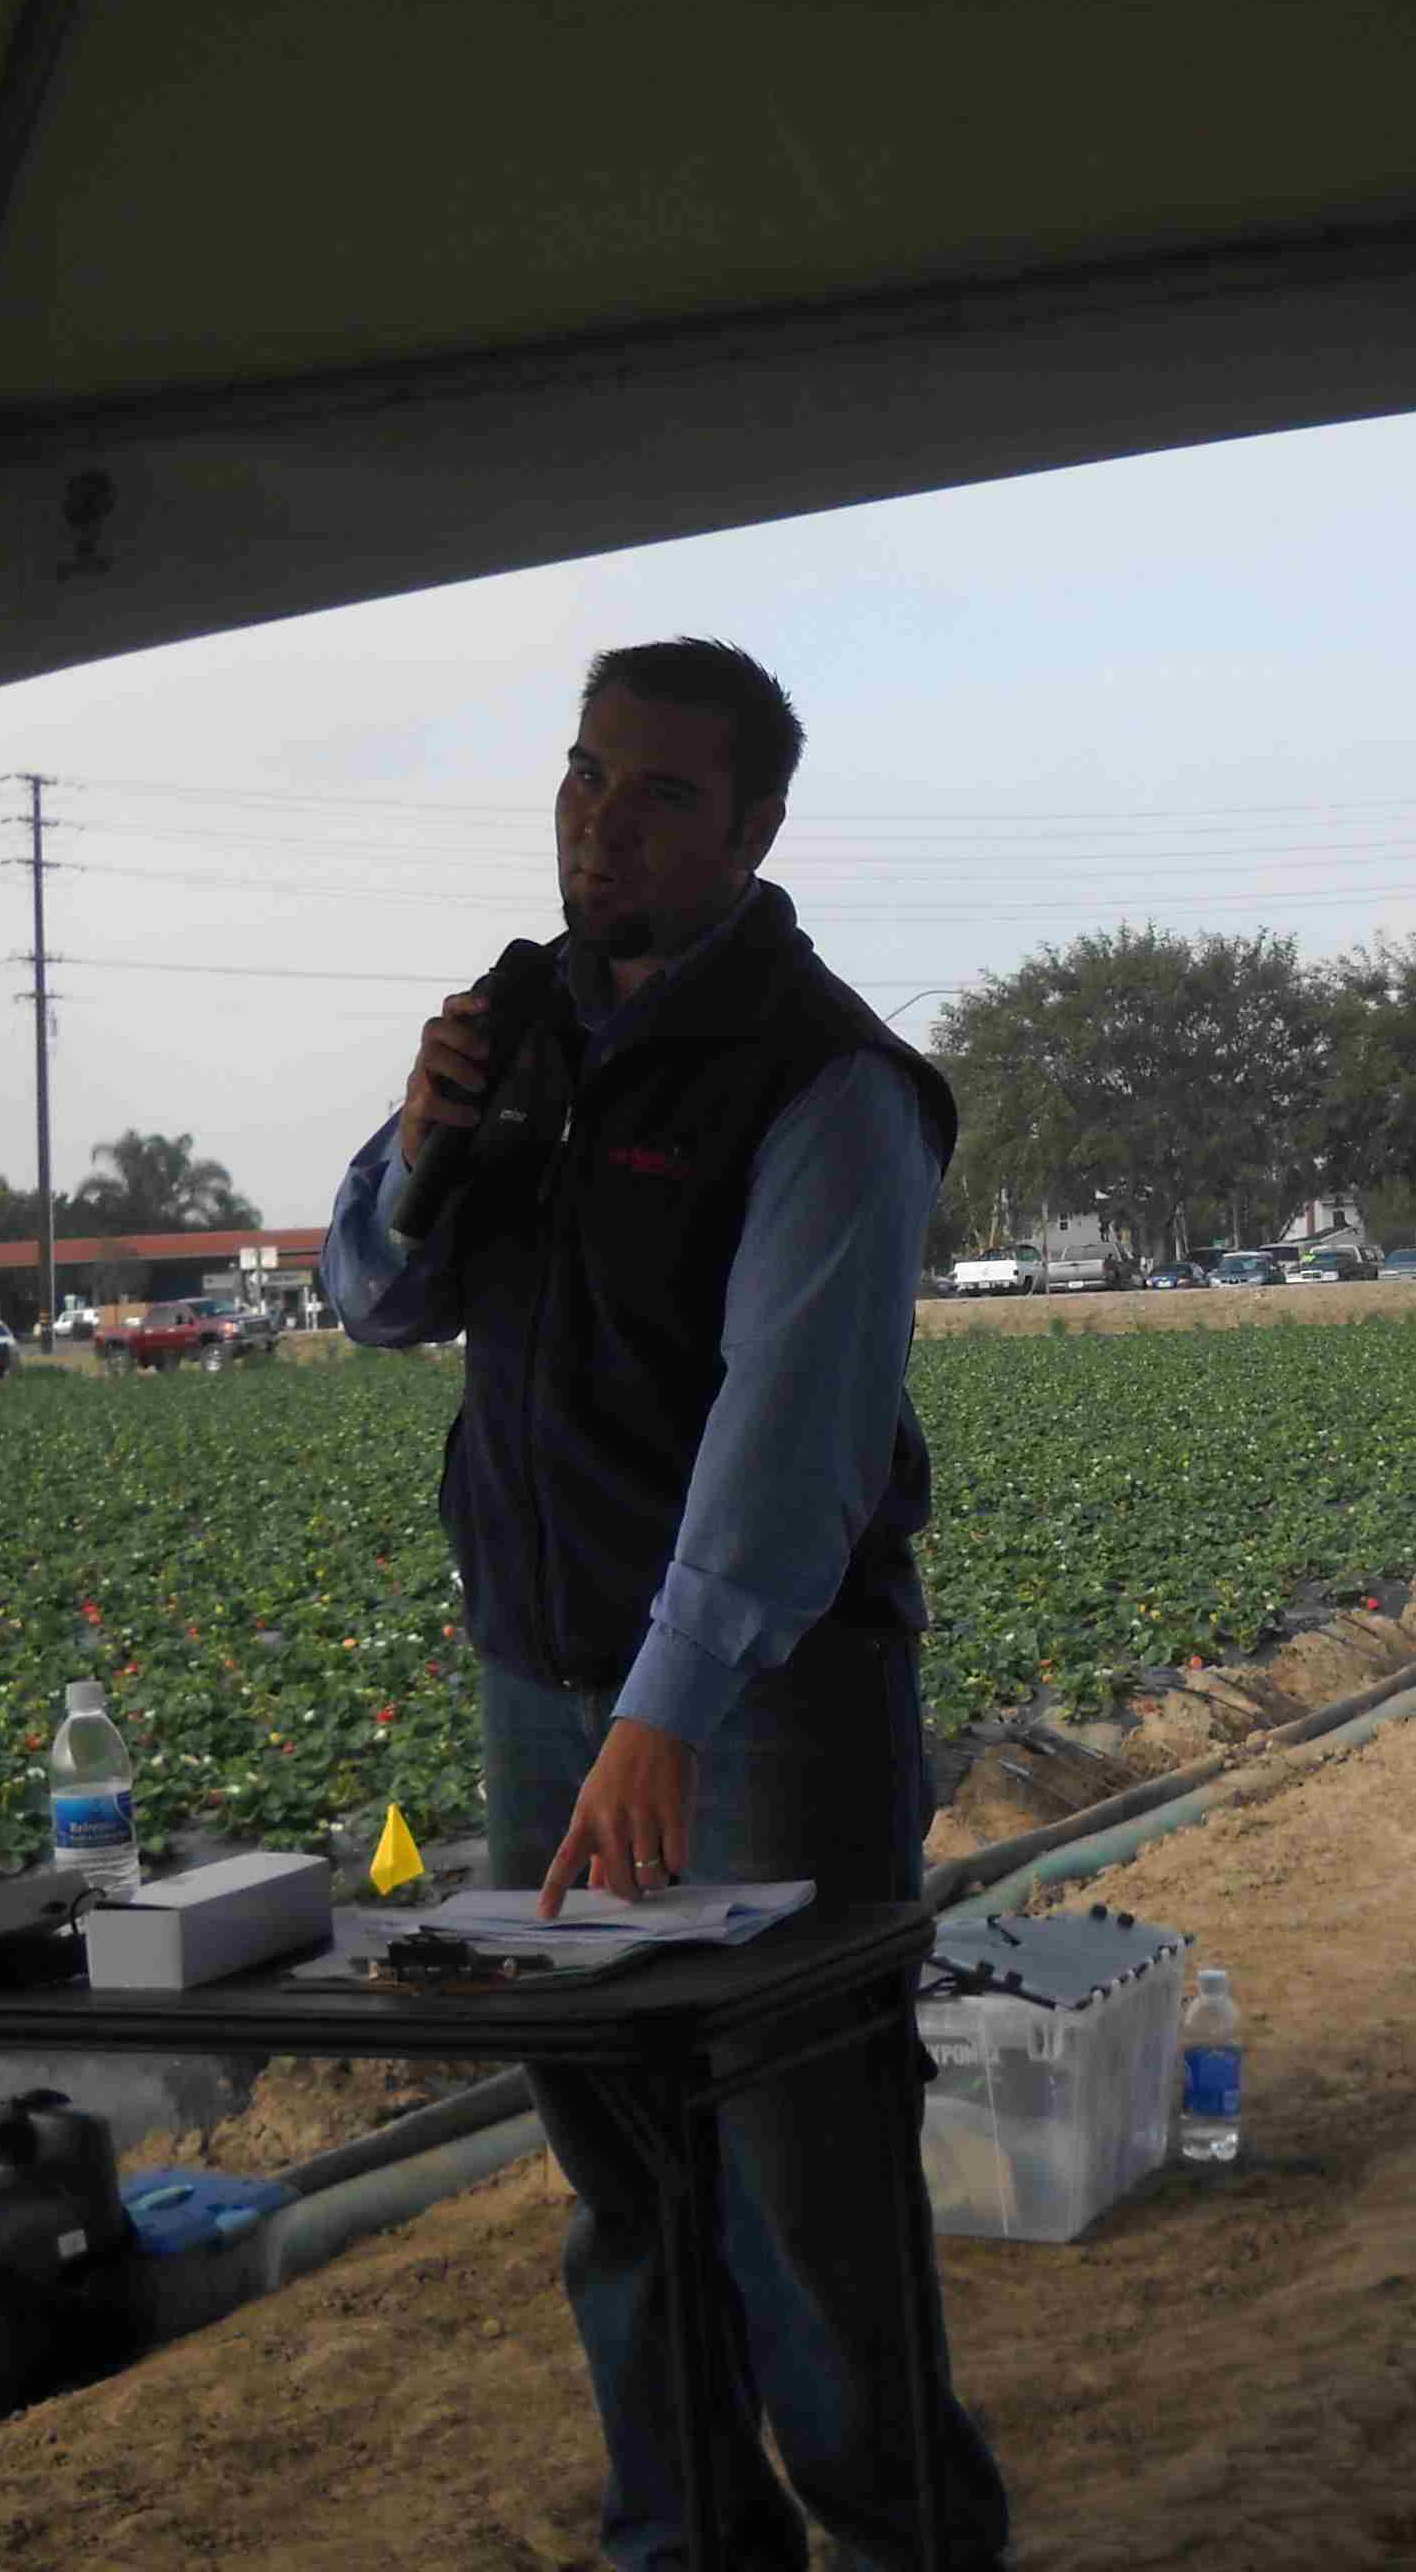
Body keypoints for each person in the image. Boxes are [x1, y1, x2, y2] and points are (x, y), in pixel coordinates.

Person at [325, 638, 1012, 2572]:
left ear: (759, 828)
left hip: (757, 1703)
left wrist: (667, 1709)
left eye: (660, 794)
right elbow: (380, 1300)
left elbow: (792, 1444)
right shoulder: (519, 1027)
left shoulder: (831, 1082)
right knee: (623, 2185)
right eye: (584, 775)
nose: (601, 822)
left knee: (808, 2200)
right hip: (545, 1682)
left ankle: (905, 2545)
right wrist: (427, 1139)